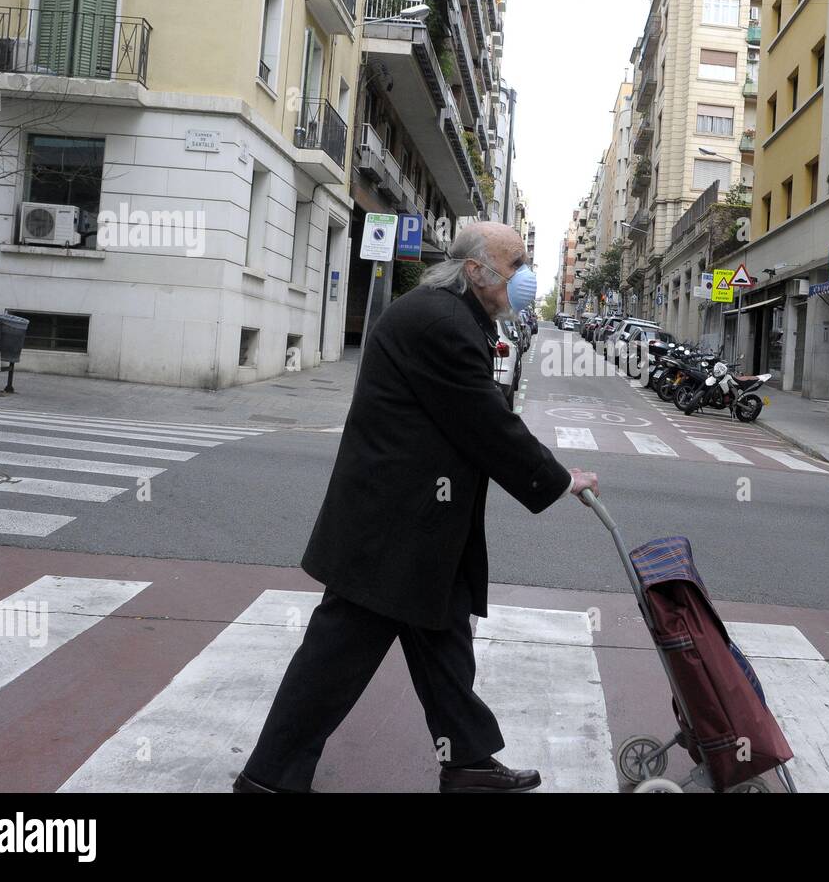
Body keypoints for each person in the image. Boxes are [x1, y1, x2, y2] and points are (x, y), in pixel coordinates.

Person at [234, 222, 599, 794]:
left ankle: (469, 761)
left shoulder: (450, 315)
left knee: (443, 636)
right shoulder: (442, 323)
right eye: (517, 262)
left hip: (417, 522)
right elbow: (485, 423)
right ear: (476, 271)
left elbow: (472, 418)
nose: (526, 276)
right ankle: (269, 778)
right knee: (336, 655)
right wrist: (558, 480)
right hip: (392, 528)